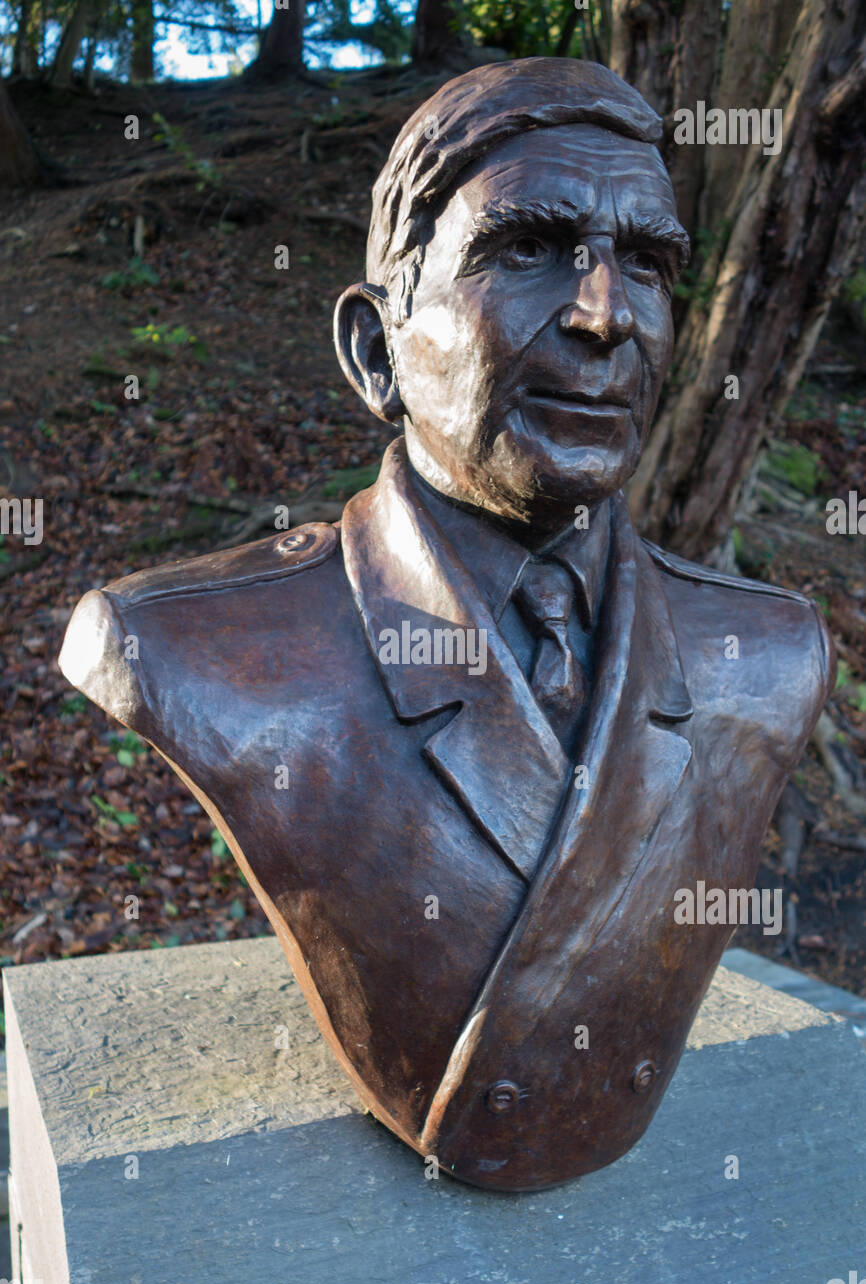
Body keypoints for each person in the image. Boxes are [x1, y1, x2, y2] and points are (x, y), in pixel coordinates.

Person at [59, 59, 834, 1190]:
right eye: (524, 251)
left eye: (649, 264)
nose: (601, 313)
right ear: (377, 352)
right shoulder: (192, 650)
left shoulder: (763, 653)